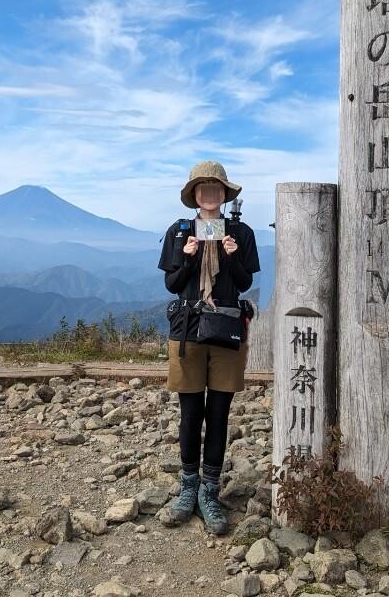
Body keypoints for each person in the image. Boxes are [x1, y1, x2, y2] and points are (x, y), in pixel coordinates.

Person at [157, 160, 260, 535]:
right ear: (194, 195)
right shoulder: (180, 231)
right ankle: (189, 487)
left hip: (227, 328)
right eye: (203, 188)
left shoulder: (240, 232)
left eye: (216, 188)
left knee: (218, 412)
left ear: (224, 193)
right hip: (188, 329)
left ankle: (210, 491)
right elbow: (173, 285)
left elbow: (244, 281)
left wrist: (231, 256)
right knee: (189, 412)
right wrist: (186, 256)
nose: (210, 194)